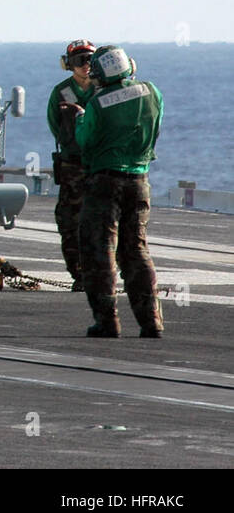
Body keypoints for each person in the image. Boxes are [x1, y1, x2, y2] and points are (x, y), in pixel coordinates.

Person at [74, 45, 164, 338]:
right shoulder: (152, 91)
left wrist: (79, 119)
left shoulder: (98, 103)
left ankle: (107, 321)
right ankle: (151, 321)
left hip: (105, 182)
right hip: (139, 180)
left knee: (99, 250)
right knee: (137, 250)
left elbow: (86, 141)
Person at [46, 39, 96, 291]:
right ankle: (79, 273)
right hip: (73, 165)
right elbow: (55, 126)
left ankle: (100, 272)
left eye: (89, 59)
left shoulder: (103, 89)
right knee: (69, 220)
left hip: (99, 164)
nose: (85, 65)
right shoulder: (62, 92)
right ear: (69, 64)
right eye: (79, 61)